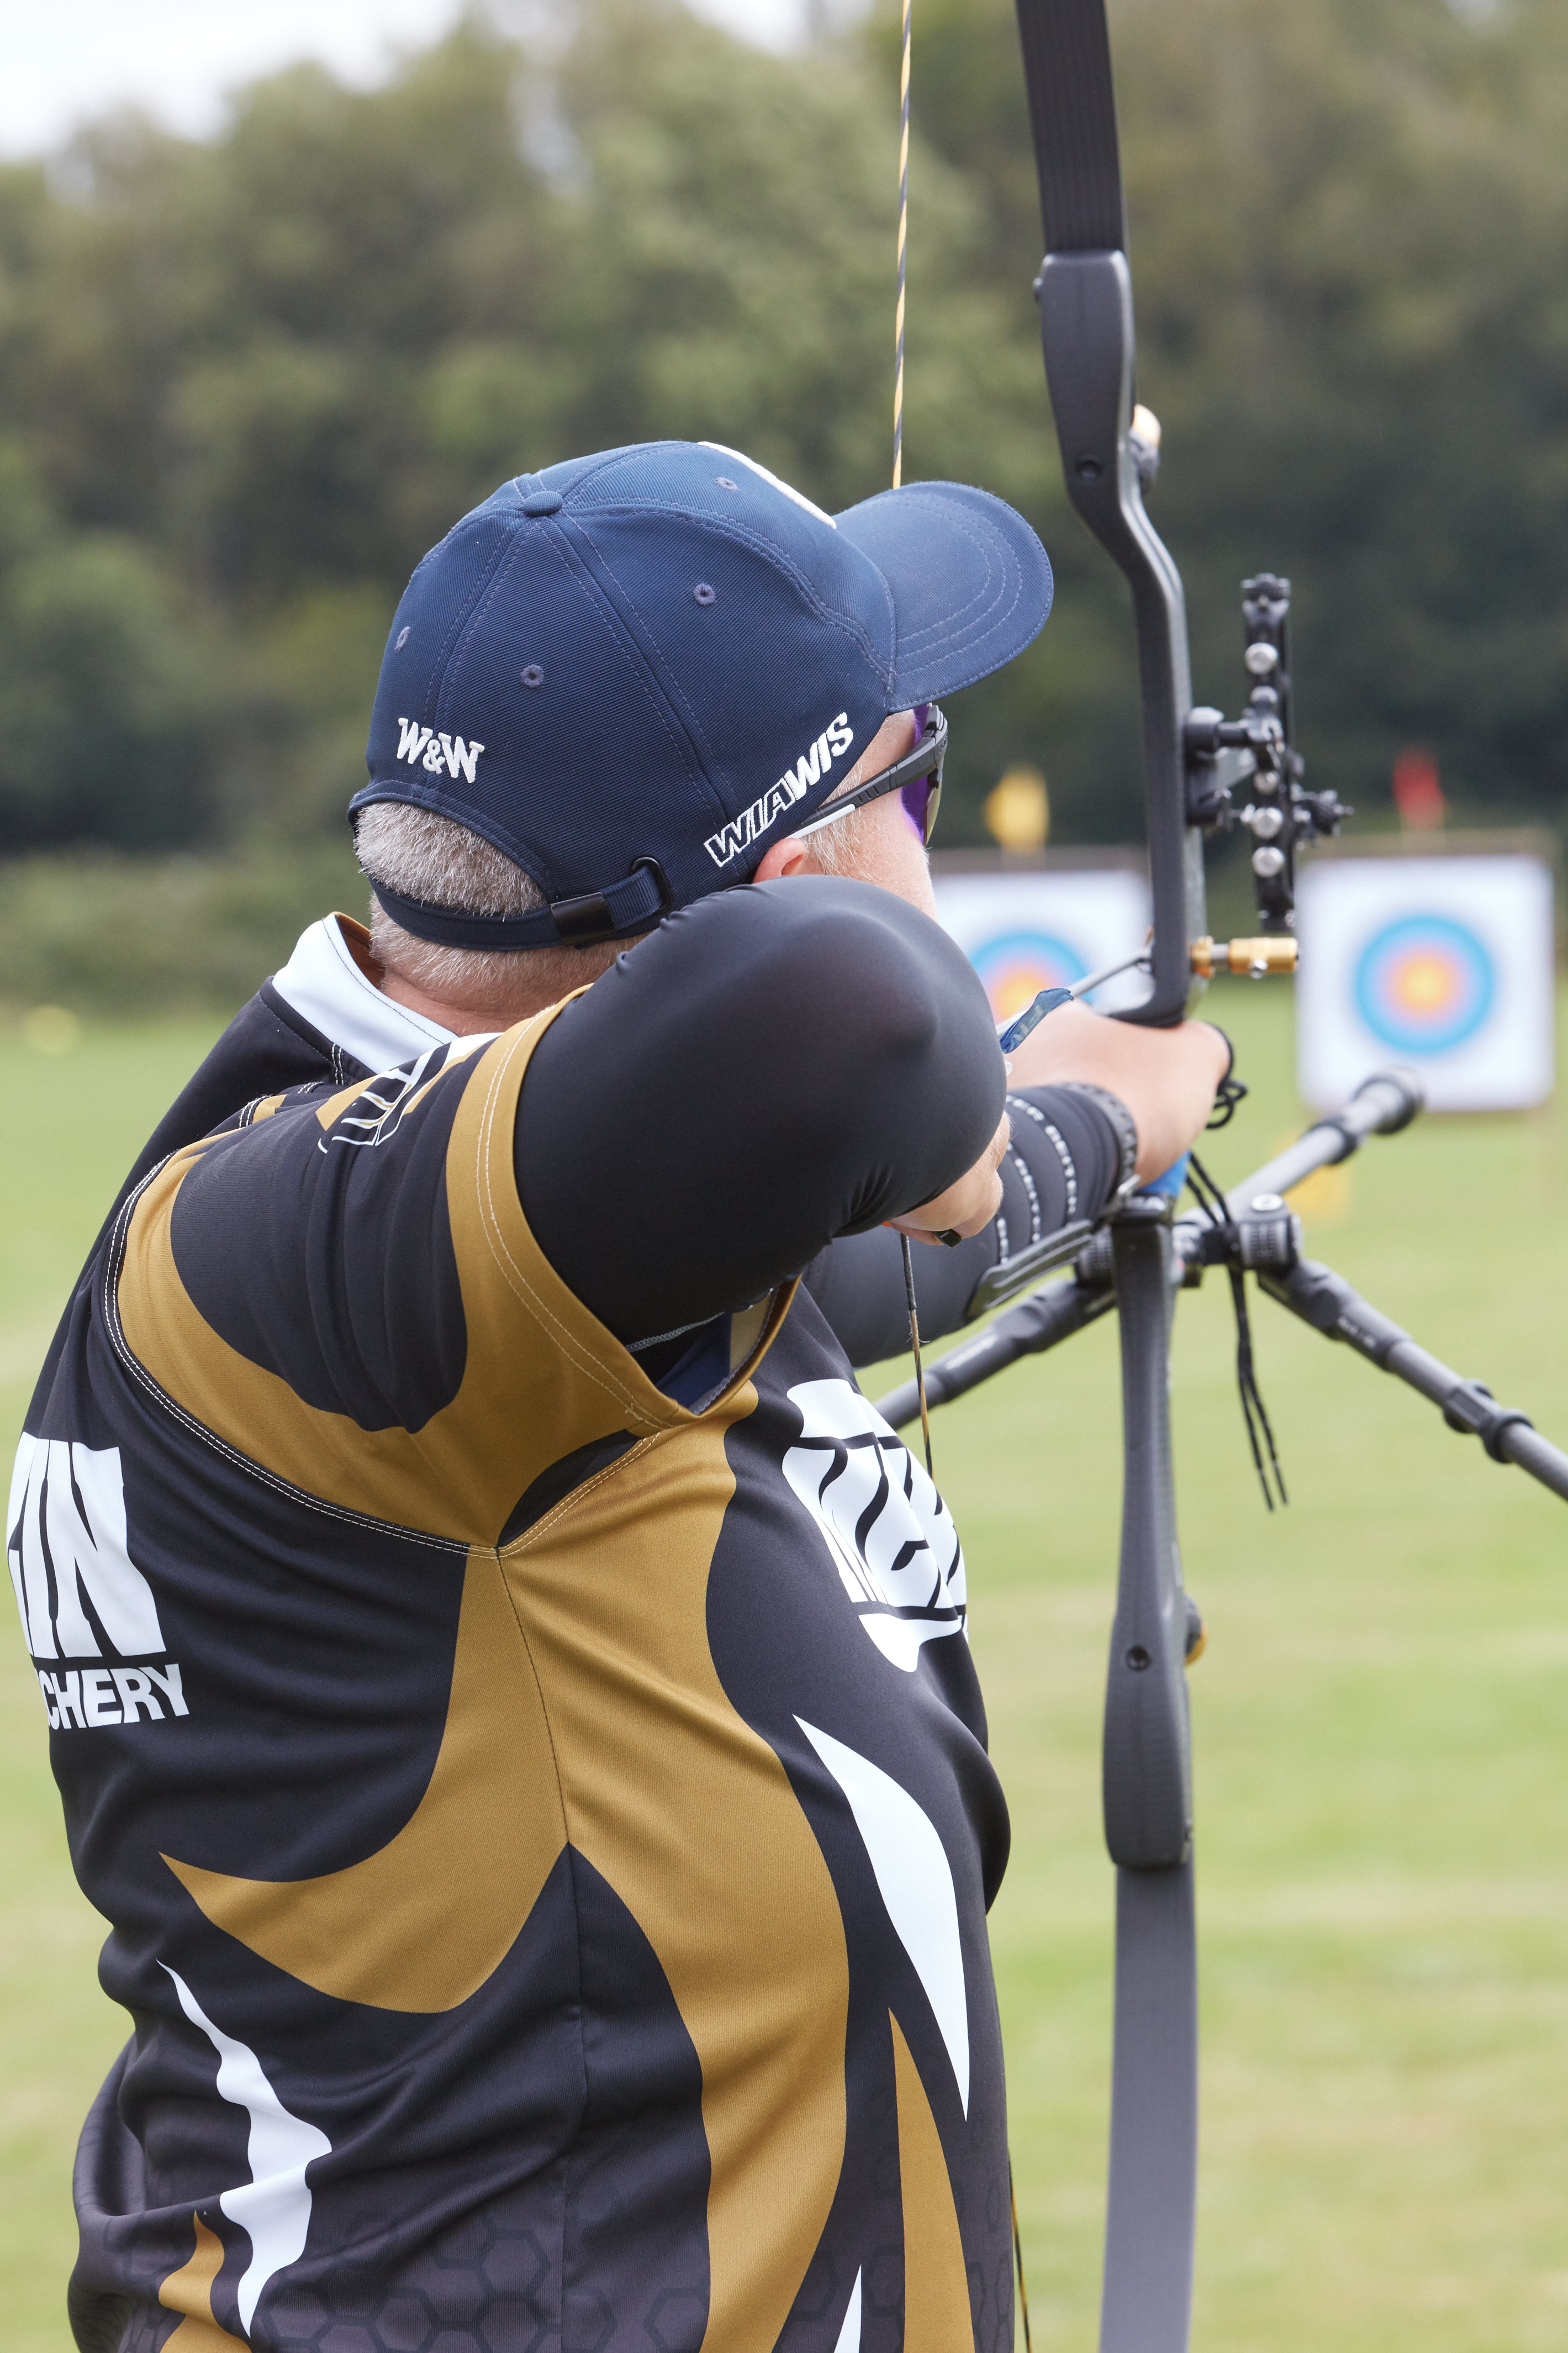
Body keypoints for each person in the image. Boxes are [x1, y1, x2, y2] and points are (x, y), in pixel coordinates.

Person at [13, 440, 1227, 2353]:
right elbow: (848, 1017)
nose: (939, 833)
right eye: (910, 779)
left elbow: (836, 1230)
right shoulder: (300, 1257)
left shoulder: (518, 1261)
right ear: (800, 868)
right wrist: (982, 1117)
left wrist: (1094, 1122)